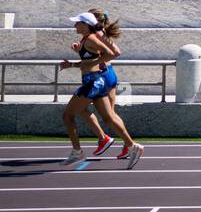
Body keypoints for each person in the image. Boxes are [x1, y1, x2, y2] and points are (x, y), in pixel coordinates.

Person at [61, 10, 143, 167]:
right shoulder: (87, 38)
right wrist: (71, 63)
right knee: (109, 117)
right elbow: (88, 61)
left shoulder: (92, 38)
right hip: (95, 81)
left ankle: (78, 151)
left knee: (67, 115)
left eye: (77, 23)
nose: (75, 25)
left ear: (86, 25)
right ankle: (132, 146)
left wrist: (94, 63)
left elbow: (112, 54)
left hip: (93, 82)